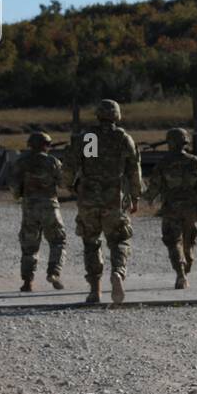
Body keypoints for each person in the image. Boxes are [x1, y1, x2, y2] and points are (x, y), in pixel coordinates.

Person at [64, 99, 142, 304]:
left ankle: (94, 289)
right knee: (119, 240)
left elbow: (71, 165)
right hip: (114, 198)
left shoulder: (88, 137)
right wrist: (135, 196)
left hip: (88, 197)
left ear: (97, 115)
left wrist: (70, 185)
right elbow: (134, 170)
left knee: (91, 242)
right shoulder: (123, 138)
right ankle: (118, 272)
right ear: (117, 116)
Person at [143, 128, 197, 288]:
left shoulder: (163, 163)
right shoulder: (195, 161)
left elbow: (154, 187)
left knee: (173, 241)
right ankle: (187, 261)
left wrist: (145, 199)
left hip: (171, 208)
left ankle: (180, 274)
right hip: (191, 209)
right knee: (189, 240)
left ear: (170, 143)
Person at [8, 132, 67, 292]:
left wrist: (19, 196)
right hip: (50, 206)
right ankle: (54, 272)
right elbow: (63, 183)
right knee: (57, 241)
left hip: (29, 207)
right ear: (46, 145)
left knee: (29, 246)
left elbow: (14, 186)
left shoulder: (21, 162)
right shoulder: (52, 161)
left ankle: (27, 281)